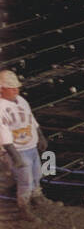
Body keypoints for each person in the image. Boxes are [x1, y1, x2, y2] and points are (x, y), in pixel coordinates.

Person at [0, 70, 54, 219]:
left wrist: (40, 136)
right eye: (11, 88)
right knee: (25, 180)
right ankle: (24, 207)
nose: (15, 90)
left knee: (36, 174)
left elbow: (31, 119)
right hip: (17, 149)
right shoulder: (1, 107)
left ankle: (37, 197)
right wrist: (14, 155)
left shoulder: (21, 101)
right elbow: (3, 134)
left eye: (16, 87)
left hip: (30, 146)